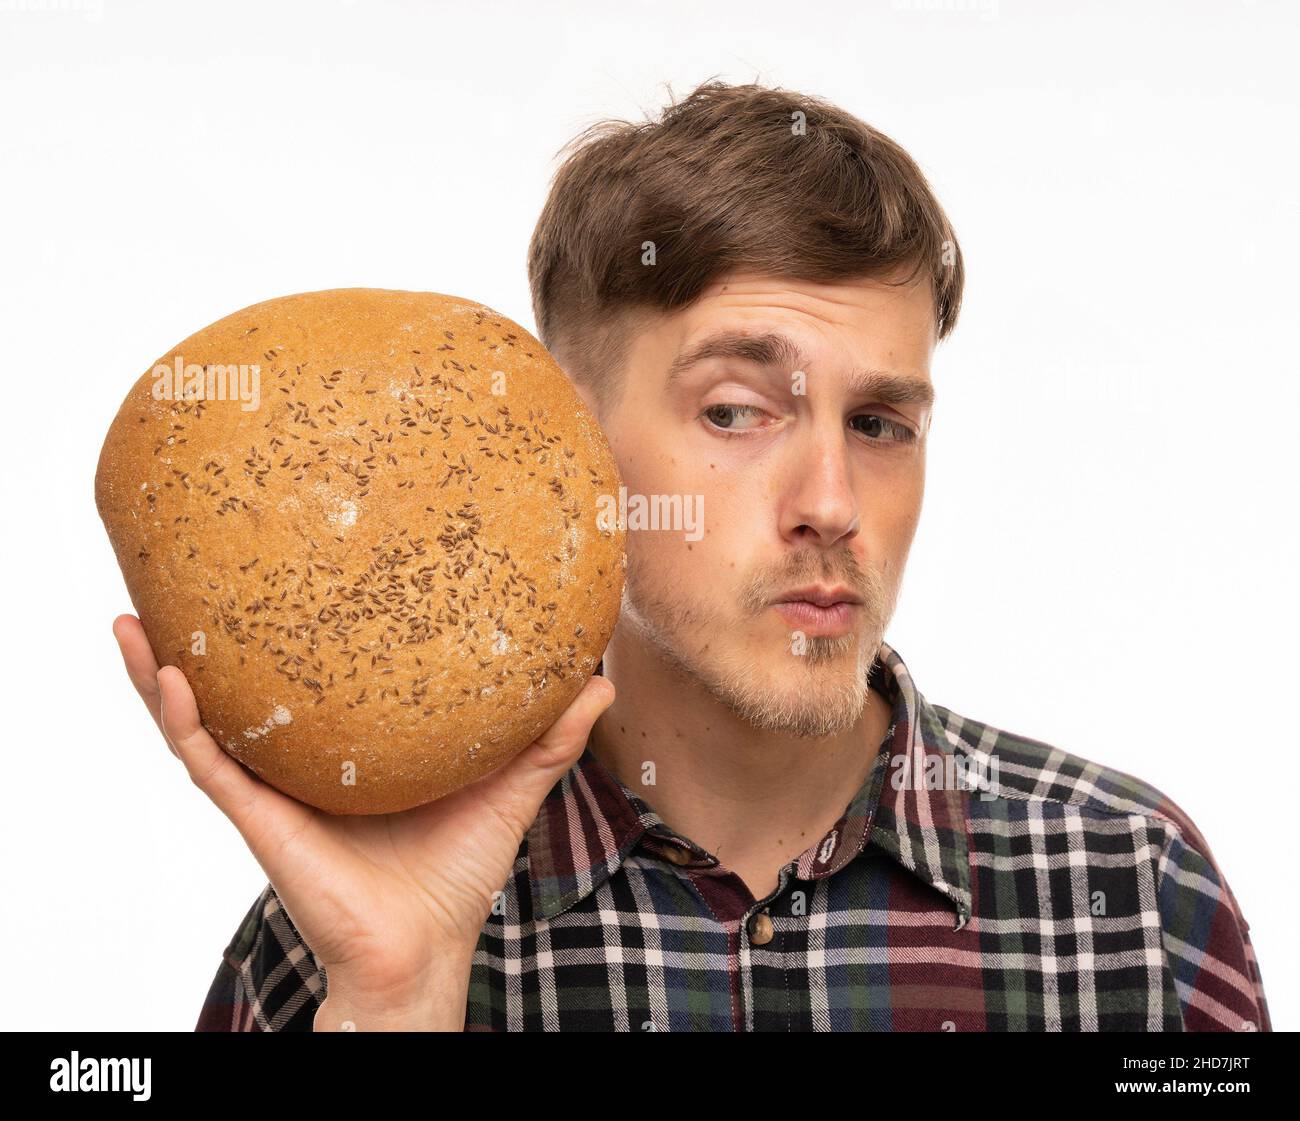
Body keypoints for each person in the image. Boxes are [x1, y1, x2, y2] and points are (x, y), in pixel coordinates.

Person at [113, 79, 1269, 1032]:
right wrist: (396, 997)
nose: (830, 503)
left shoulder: (1131, 892)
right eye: (734, 412)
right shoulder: (342, 933)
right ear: (564, 448)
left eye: (879, 425)